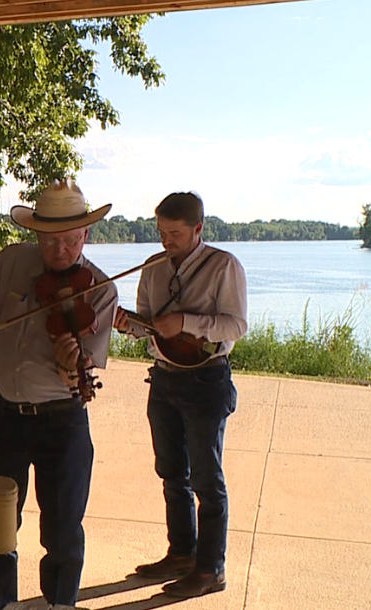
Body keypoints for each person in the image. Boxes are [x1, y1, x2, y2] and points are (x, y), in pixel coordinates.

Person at [0, 178, 117, 610]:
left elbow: (83, 373)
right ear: (36, 235)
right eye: (49, 241)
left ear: (85, 236)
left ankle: (60, 605)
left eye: (69, 242)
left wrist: (66, 362)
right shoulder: (14, 261)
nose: (59, 252)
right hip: (3, 415)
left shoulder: (100, 290)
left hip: (62, 419)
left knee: (62, 528)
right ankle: (3, 604)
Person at [112, 191, 247, 598]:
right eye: (161, 232)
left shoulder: (224, 266)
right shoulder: (153, 267)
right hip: (165, 379)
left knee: (208, 480)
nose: (165, 240)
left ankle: (211, 569)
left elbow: (236, 326)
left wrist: (186, 321)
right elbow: (147, 325)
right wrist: (126, 325)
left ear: (198, 229)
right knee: (171, 473)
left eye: (174, 233)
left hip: (207, 381)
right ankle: (182, 554)